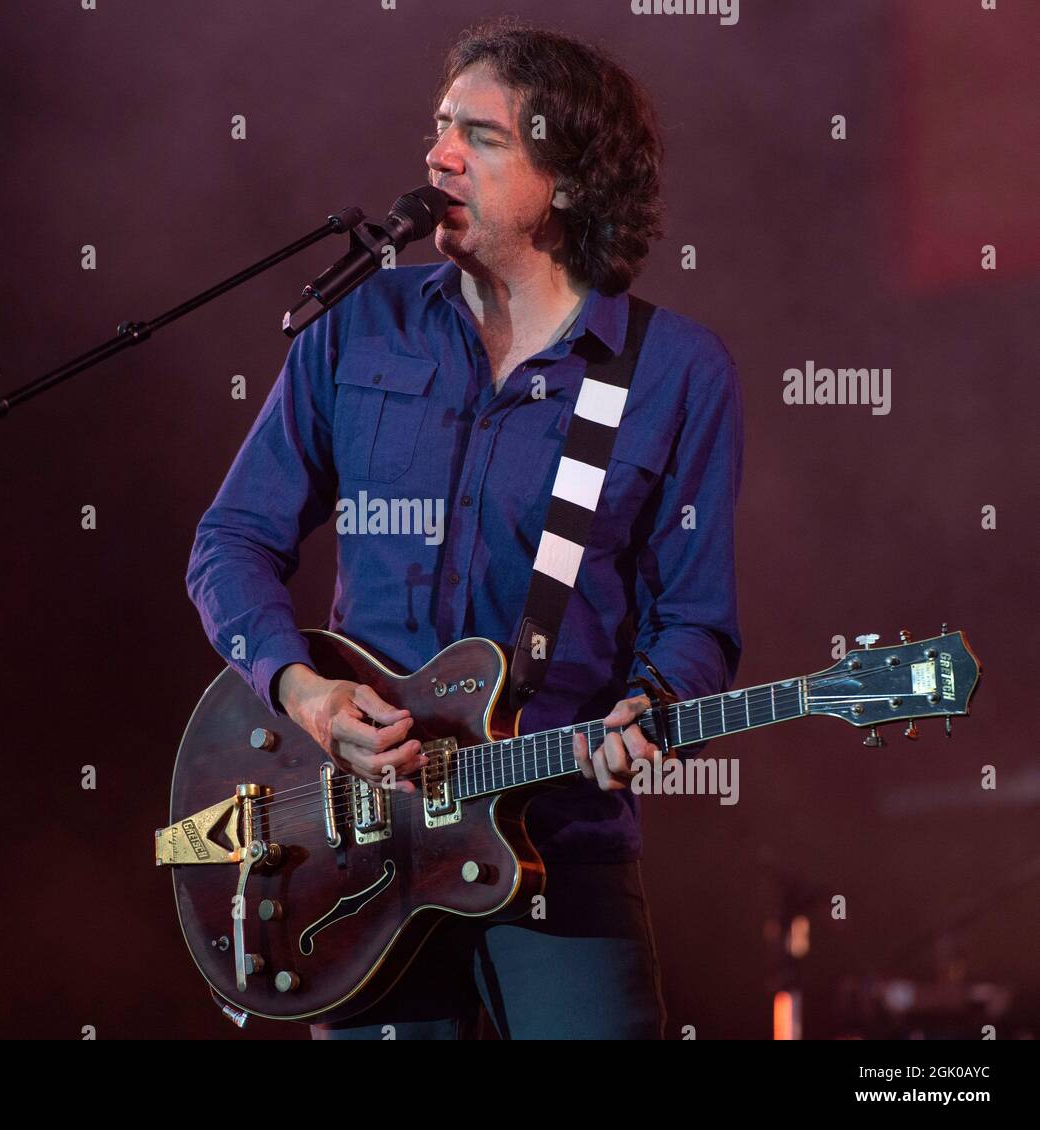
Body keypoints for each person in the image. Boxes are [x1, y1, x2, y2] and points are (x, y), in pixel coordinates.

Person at [186, 16, 743, 1039]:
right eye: (438, 127)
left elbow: (696, 621)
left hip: (558, 844)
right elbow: (230, 542)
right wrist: (302, 692)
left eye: (480, 137)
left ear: (567, 182)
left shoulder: (676, 373)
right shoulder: (359, 325)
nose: (437, 154)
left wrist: (651, 707)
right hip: (357, 852)